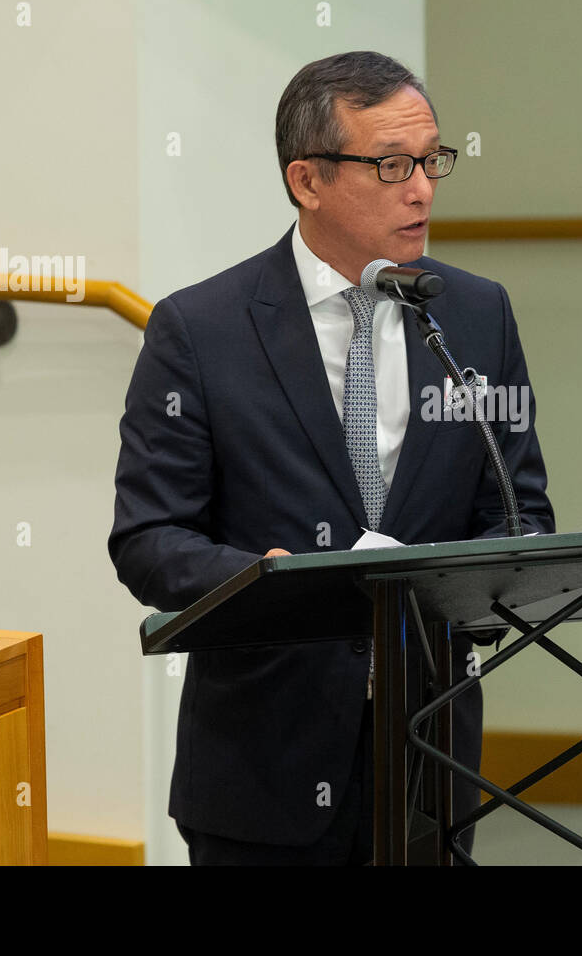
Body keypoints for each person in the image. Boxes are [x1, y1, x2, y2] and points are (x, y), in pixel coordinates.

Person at [108, 50, 553, 865]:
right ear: (307, 180)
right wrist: (264, 583)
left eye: (431, 161)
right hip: (264, 757)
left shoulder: (477, 315)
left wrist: (464, 584)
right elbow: (148, 538)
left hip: (431, 751)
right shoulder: (200, 332)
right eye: (390, 166)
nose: (421, 188)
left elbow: (519, 514)